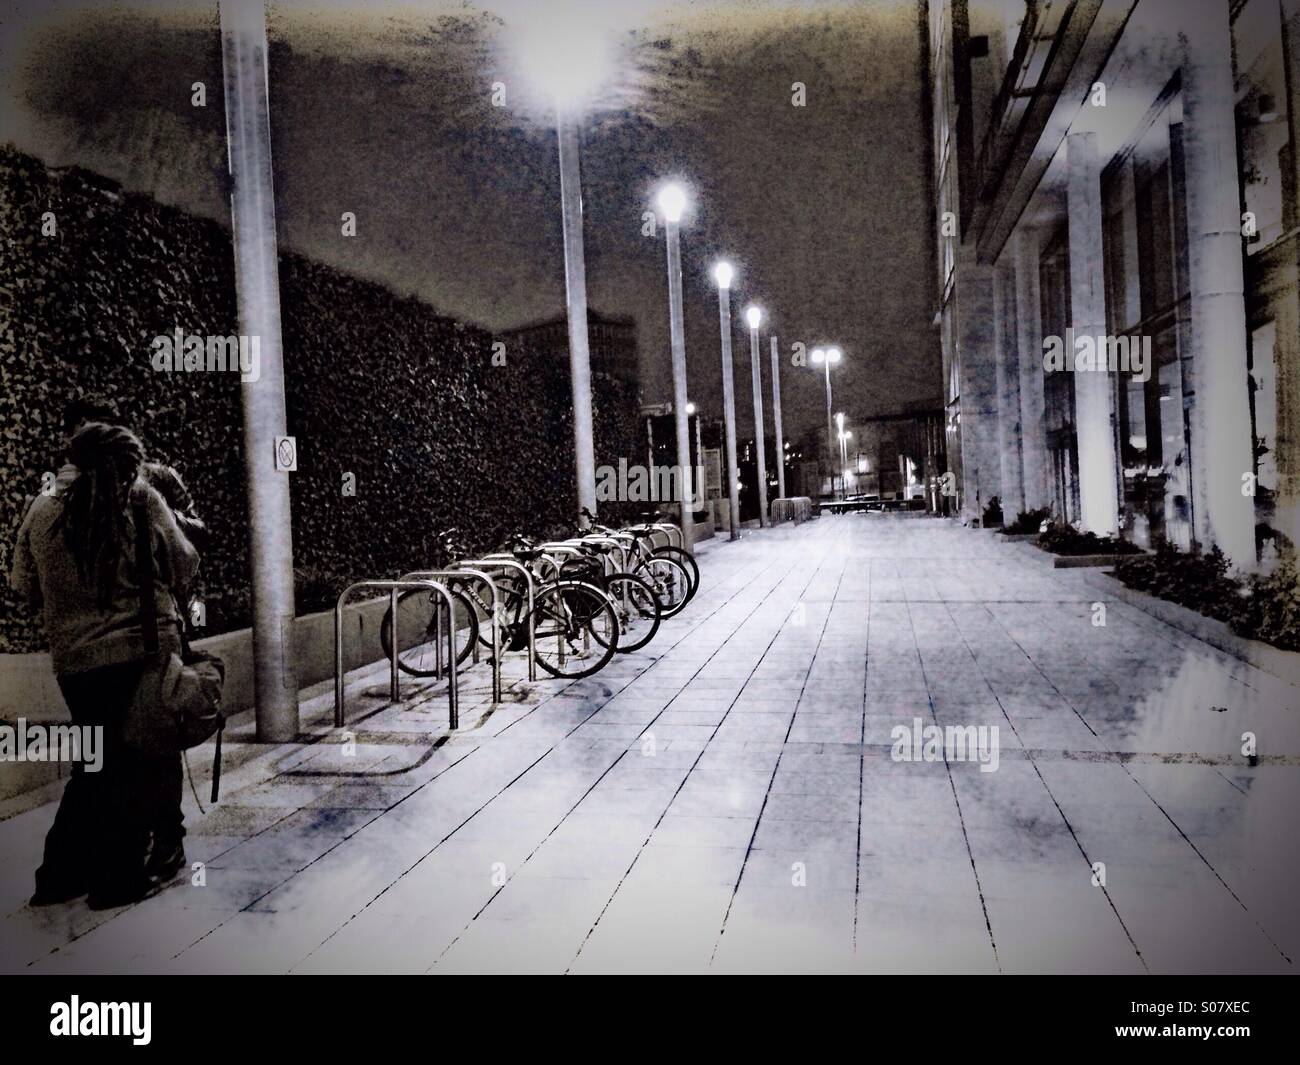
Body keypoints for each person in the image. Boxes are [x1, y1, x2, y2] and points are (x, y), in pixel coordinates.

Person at [10, 422, 199, 909]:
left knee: (92, 765)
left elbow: (22, 587)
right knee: (135, 764)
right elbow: (184, 562)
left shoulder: (41, 506)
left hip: (75, 662)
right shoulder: (139, 499)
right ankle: (117, 882)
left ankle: (58, 878)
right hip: (141, 654)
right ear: (125, 462)